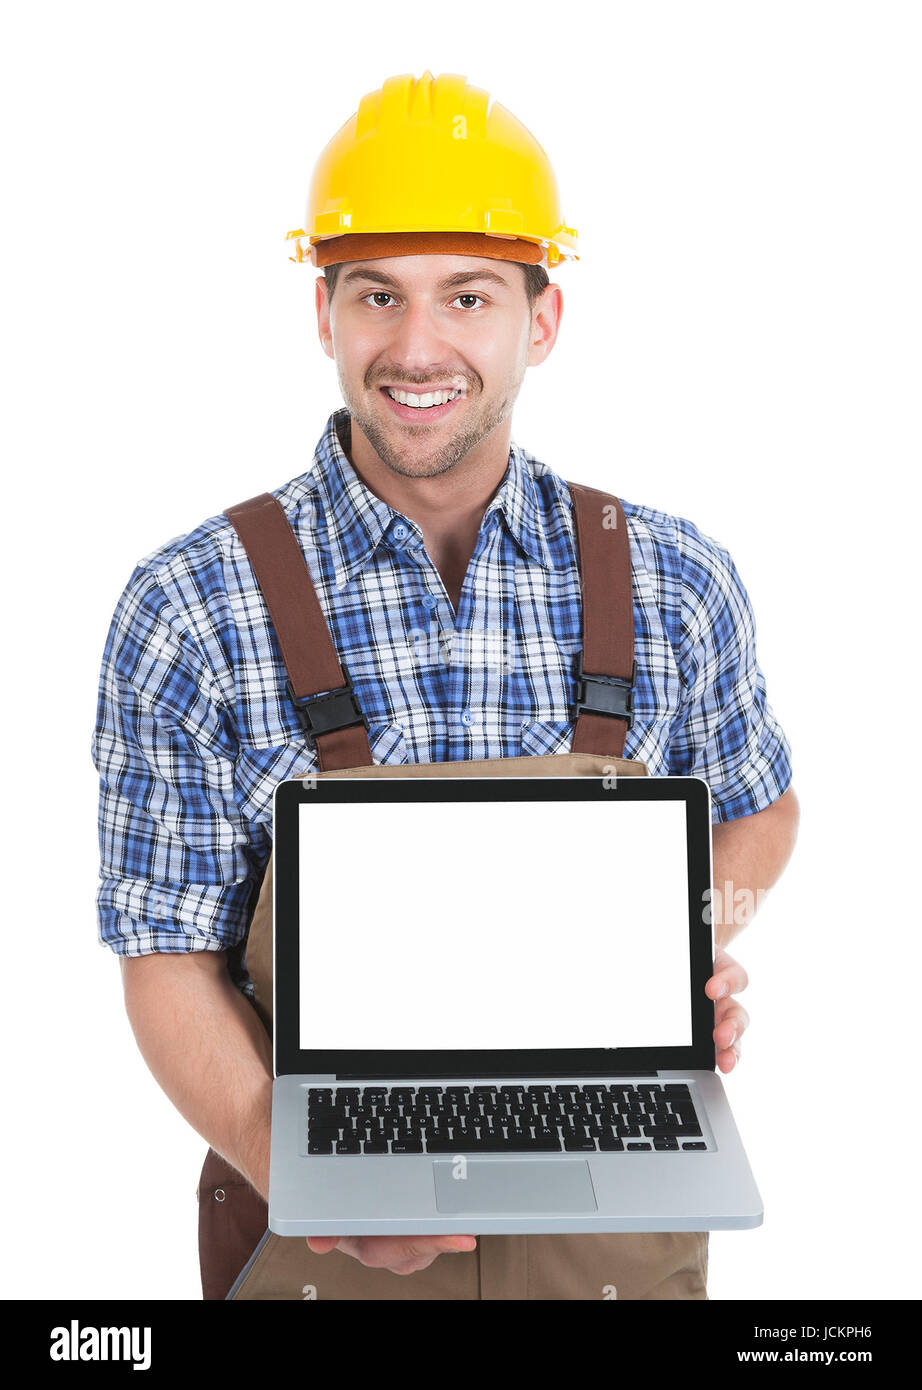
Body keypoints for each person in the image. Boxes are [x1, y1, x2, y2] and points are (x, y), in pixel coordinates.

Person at [91, 70, 799, 1299]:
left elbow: (759, 805)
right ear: (325, 311)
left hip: (610, 1248)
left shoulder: (677, 580)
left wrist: (684, 953)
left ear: (542, 317)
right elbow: (164, 952)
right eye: (378, 295)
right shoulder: (192, 604)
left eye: (466, 296)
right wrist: (301, 1169)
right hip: (310, 1245)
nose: (417, 350)